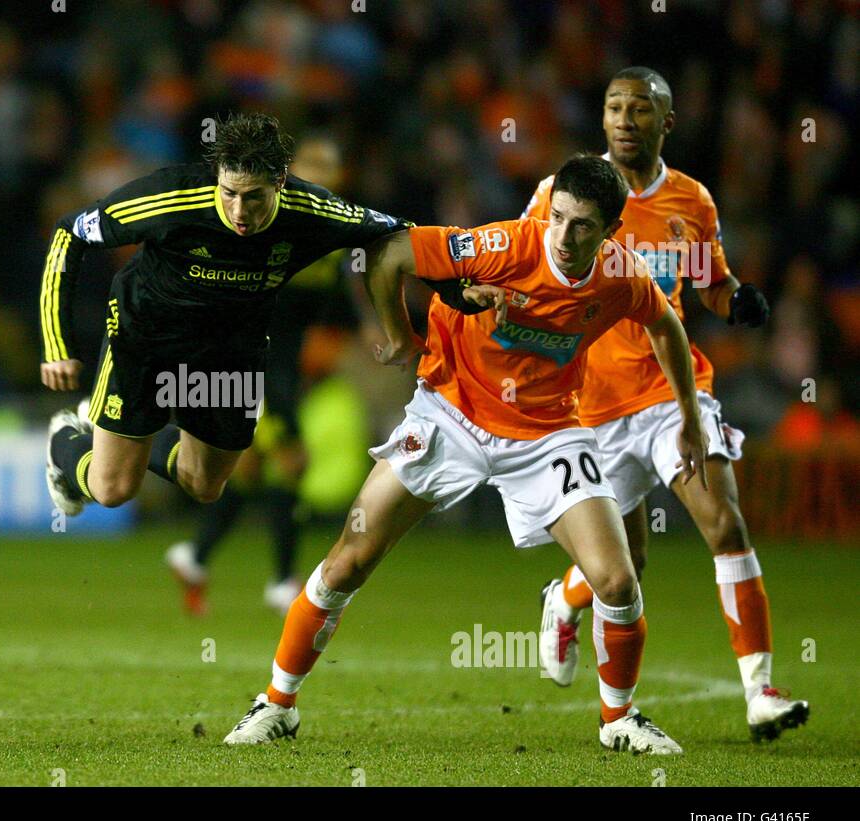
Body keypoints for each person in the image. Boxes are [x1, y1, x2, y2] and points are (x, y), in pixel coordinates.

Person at [226, 154, 705, 755]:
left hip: (548, 433)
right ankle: (277, 704)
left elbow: (667, 327)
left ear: (609, 230)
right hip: (451, 416)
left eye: (582, 225)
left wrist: (688, 418)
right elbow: (392, 253)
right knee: (348, 560)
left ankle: (618, 720)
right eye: (557, 216)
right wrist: (401, 336)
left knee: (616, 578)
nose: (562, 234)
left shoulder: (621, 276)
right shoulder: (505, 244)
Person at [516, 68, 807, 742]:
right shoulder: (567, 192)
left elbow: (708, 280)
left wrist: (733, 298)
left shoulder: (690, 201)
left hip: (672, 392)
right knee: (628, 566)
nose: (624, 118)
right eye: (614, 106)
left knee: (725, 524)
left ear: (665, 123)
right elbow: (534, 268)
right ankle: (562, 598)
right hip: (592, 402)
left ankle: (760, 691)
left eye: (640, 109)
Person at [39, 114, 422, 521]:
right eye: (229, 193)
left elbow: (405, 236)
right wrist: (57, 346)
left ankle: (115, 433)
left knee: (204, 485)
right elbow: (71, 234)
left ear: (279, 183)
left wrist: (465, 285)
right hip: (146, 338)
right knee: (113, 489)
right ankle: (66, 438)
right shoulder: (171, 197)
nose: (239, 210)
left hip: (230, 349)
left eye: (253, 196)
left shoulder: (314, 211)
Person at [163, 133, 366, 616]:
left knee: (249, 472)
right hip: (245, 362)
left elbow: (330, 306)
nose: (323, 177)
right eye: (312, 168)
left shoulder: (330, 236)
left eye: (329, 168)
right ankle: (279, 580)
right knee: (290, 462)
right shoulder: (271, 229)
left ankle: (196, 556)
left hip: (277, 366)